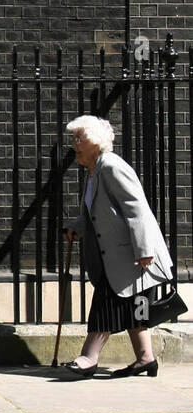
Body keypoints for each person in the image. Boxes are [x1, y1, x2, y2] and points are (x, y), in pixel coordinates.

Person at [61, 114, 175, 378]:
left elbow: (137, 208)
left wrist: (144, 249)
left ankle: (89, 358)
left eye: (81, 137)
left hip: (128, 254)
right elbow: (98, 214)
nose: (75, 143)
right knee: (132, 305)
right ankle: (146, 359)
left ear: (98, 142)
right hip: (114, 254)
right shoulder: (94, 171)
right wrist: (77, 227)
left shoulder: (111, 166)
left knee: (105, 304)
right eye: (73, 137)